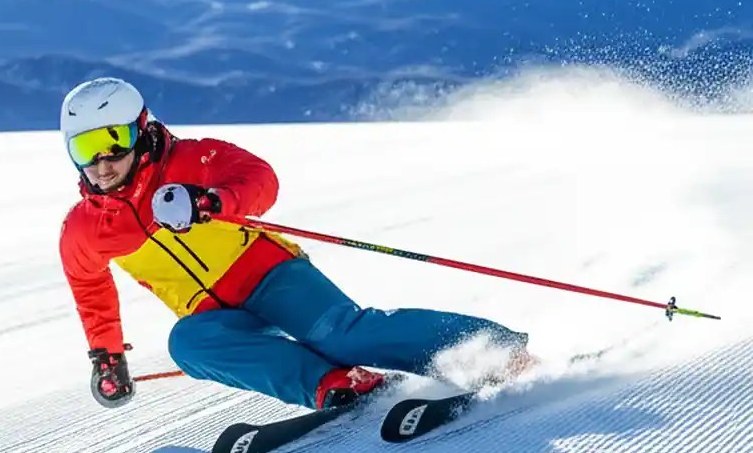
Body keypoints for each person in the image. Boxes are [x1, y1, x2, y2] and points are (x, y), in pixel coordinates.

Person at [58, 77, 529, 410]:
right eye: (85, 149)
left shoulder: (191, 159)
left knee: (343, 336)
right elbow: (90, 288)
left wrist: (211, 201)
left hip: (270, 274)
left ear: (141, 130)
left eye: (113, 141)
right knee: (190, 346)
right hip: (213, 315)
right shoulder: (85, 227)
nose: (102, 163)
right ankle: (336, 385)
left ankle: (498, 351)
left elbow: (261, 180)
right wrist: (108, 356)